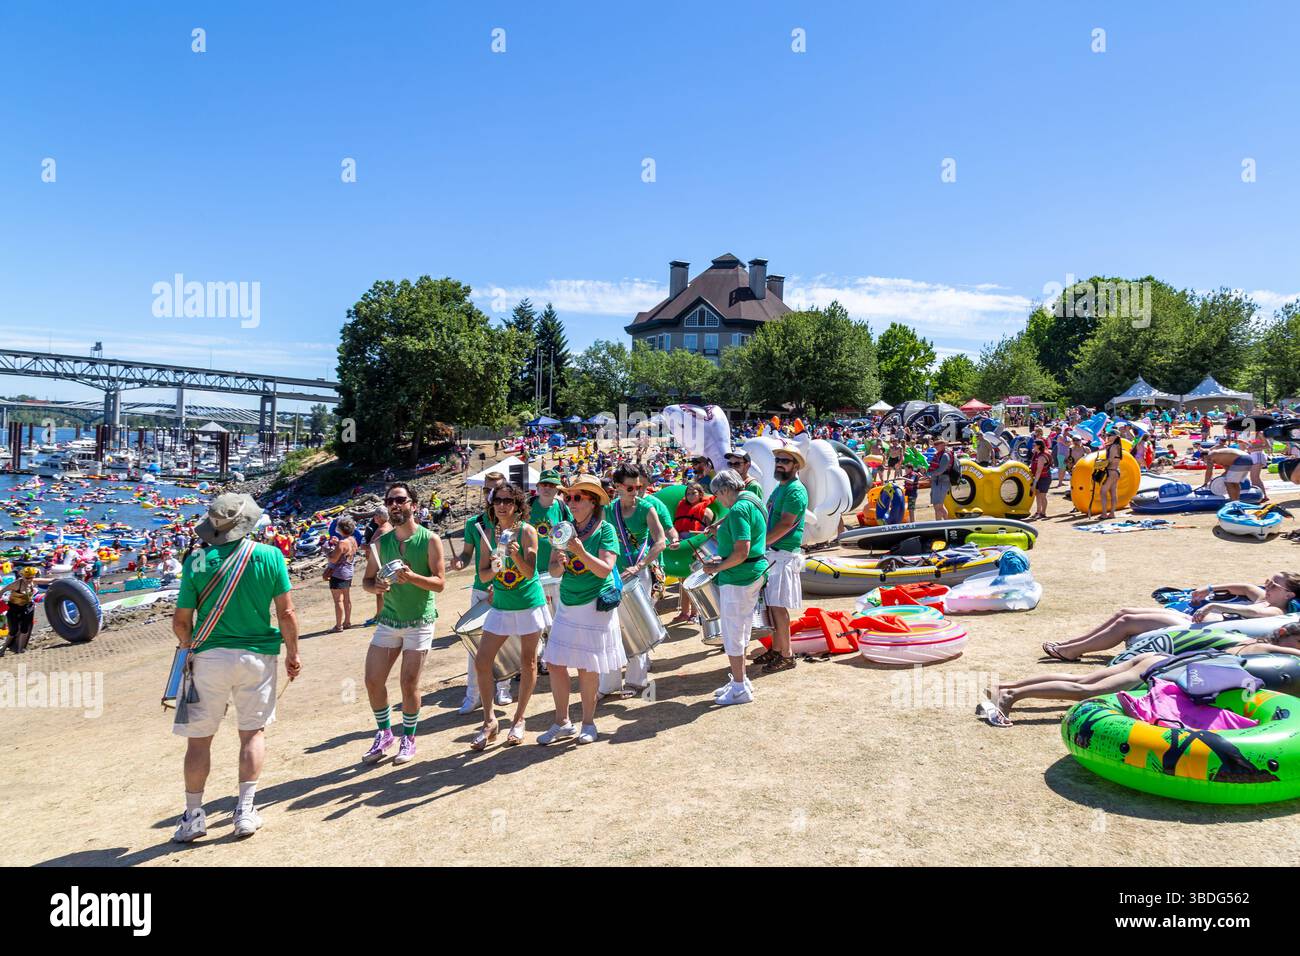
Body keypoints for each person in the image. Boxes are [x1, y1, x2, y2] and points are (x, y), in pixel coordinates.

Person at [170, 493, 300, 843]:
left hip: (209, 658)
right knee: (252, 733)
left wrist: (188, 647)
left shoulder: (196, 560)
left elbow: (182, 621)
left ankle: (194, 816)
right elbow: (286, 613)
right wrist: (293, 653)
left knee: (198, 743)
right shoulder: (271, 556)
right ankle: (244, 810)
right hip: (257, 656)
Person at [981, 623, 1300, 727]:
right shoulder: (1264, 652)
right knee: (1085, 692)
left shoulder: (1252, 642)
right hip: (1161, 670)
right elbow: (1292, 656)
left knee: (1083, 681)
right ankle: (1012, 697)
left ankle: (1005, 686)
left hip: (1159, 658)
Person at [359, 482, 446, 766]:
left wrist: (412, 578)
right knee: (373, 680)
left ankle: (409, 737)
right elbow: (367, 582)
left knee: (408, 683)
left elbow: (440, 583)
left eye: (400, 500)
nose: (394, 505)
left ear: (413, 505)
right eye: (389, 501)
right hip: (390, 619)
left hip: (420, 619)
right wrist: (378, 587)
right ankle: (385, 733)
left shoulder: (430, 539)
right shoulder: (380, 545)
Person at [537, 475, 624, 744]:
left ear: (593, 501)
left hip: (595, 603)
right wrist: (560, 564)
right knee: (555, 662)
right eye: (569, 497)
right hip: (568, 603)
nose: (570, 502)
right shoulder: (563, 529)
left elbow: (604, 569)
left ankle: (588, 723)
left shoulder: (605, 530)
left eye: (577, 497)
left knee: (588, 667)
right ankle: (562, 721)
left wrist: (581, 552)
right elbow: (552, 568)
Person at [1041, 572, 1300, 662]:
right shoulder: (1264, 597)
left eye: (1274, 584)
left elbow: (1253, 612)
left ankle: (1072, 651)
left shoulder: (1275, 610)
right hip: (1199, 622)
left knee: (1127, 622)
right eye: (1267, 580)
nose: (1267, 585)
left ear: (1289, 595)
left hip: (1202, 631)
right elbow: (1244, 587)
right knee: (1124, 612)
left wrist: (1216, 606)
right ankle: (1071, 645)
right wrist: (1210, 589)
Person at [471, 483, 550, 749]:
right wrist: (493, 568)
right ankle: (489, 720)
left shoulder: (527, 532)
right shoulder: (487, 535)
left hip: (528, 603)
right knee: (482, 661)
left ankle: (519, 719)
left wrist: (514, 555)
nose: (502, 505)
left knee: (527, 662)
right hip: (502, 606)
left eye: (507, 500)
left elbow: (529, 572)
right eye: (497, 500)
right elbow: (482, 576)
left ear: (517, 505)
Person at [600, 464, 667, 696]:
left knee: (637, 626)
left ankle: (636, 680)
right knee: (610, 628)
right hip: (612, 575)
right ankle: (608, 683)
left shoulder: (647, 509)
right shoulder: (607, 510)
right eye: (630, 488)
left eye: (638, 487)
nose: (636, 492)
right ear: (617, 487)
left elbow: (661, 541)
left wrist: (640, 564)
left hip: (639, 574)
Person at [704, 469, 769, 705]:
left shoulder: (740, 508)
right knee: (740, 629)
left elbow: (742, 550)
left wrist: (717, 567)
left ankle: (740, 687)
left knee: (733, 632)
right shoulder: (752, 500)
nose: (718, 501)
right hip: (750, 572)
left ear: (724, 490)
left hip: (739, 576)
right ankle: (740, 681)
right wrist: (722, 529)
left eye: (717, 496)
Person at [452, 472, 512, 713]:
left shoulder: (512, 522)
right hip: (481, 588)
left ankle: (504, 688)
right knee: (476, 645)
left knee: (506, 641)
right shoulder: (473, 523)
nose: (491, 495)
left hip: (506, 587)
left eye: (496, 489)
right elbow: (467, 553)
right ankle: (473, 694)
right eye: (488, 489)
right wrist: (460, 562)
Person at [754, 441, 807, 674]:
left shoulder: (795, 489)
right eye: (777, 460)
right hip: (774, 553)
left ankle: (787, 655)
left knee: (778, 608)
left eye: (785, 461)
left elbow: (787, 523)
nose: (779, 465)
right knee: (771, 606)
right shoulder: (781, 488)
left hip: (782, 554)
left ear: (796, 466)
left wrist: (760, 543)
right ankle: (777, 649)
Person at [529, 469, 572, 616]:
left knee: (561, 614)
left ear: (557, 488)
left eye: (552, 485)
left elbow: (571, 531)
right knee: (541, 617)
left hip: (557, 570)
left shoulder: (562, 507)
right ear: (538, 486)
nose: (547, 488)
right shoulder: (527, 506)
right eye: (544, 484)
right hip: (532, 571)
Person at [325, 516, 358, 632]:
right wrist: (337, 543)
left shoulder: (342, 543)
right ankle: (347, 622)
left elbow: (333, 559)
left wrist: (327, 551)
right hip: (348, 572)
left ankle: (338, 626)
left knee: (338, 600)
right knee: (347, 599)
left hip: (338, 573)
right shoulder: (352, 540)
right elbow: (345, 551)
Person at [0, 566, 42, 655]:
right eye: (27, 578)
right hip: (14, 608)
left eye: (31, 577)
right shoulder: (16, 584)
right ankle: (3, 649)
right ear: (22, 576)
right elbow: (2, 591)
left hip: (27, 608)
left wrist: (55, 581)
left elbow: (45, 581)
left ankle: (19, 649)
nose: (29, 580)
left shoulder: (32, 582)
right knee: (13, 630)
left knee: (24, 629)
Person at [362, 505, 392, 626]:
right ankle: (379, 615)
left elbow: (376, 547)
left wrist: (364, 547)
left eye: (375, 515)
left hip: (380, 563)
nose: (373, 517)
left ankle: (380, 616)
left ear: (379, 517)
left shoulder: (383, 529)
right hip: (382, 561)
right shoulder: (388, 526)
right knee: (381, 591)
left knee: (379, 591)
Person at [926, 438, 955, 520]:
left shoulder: (945, 455)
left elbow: (941, 470)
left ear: (942, 445)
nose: (935, 446)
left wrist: (929, 474)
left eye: (936, 445)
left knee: (937, 506)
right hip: (939, 481)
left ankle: (939, 525)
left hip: (941, 481)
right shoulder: (941, 454)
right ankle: (945, 524)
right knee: (940, 506)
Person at [1097, 431, 1123, 519]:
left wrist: (1099, 463)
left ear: (1115, 436)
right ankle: (1112, 513)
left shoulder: (1113, 447)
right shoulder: (1117, 446)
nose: (1107, 436)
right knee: (1113, 493)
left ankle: (1104, 514)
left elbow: (1110, 460)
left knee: (1103, 491)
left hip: (1111, 471)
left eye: (1109, 435)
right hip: (1115, 471)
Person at [1029, 438, 1052, 520]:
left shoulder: (1041, 457)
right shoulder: (1036, 454)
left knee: (1042, 496)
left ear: (1039, 446)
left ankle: (1043, 513)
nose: (1033, 446)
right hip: (1038, 478)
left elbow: (1039, 471)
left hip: (1044, 478)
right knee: (1037, 495)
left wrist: (1034, 483)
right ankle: (1038, 512)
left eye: (1034, 445)